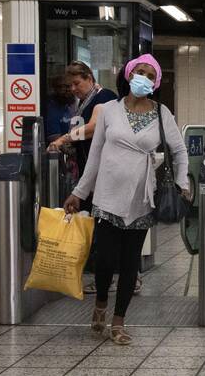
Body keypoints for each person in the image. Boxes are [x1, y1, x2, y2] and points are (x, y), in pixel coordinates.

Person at [63, 54, 191, 345]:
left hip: (141, 198)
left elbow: (179, 151)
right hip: (107, 196)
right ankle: (100, 305)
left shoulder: (162, 114)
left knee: (131, 263)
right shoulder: (109, 110)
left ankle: (118, 322)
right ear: (129, 75)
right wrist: (79, 192)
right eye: (139, 72)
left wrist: (182, 183)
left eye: (149, 74)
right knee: (106, 260)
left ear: (155, 82)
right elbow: (94, 157)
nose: (142, 78)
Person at [48, 62, 117, 176]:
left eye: (76, 83)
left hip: (103, 169)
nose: (73, 89)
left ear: (89, 78)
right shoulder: (83, 103)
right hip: (87, 167)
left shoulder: (104, 96)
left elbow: (93, 127)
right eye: (70, 85)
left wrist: (62, 140)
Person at [43, 72, 76, 143]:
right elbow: (54, 138)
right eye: (65, 87)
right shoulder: (51, 107)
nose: (69, 90)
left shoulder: (70, 103)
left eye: (70, 86)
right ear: (56, 89)